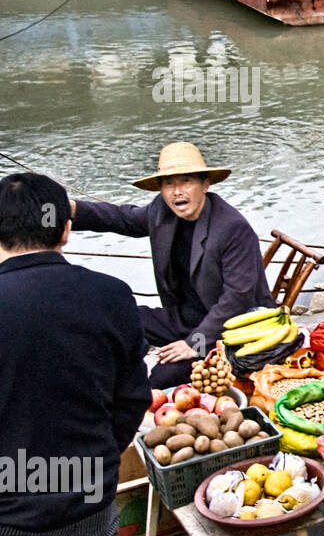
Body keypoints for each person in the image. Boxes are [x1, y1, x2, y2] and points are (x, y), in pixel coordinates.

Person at [0, 173, 151, 536]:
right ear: (66, 230)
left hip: (10, 519)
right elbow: (132, 401)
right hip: (87, 500)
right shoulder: (111, 295)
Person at [71, 142, 273, 388]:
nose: (177, 191)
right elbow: (122, 219)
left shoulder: (232, 228)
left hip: (233, 331)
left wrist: (193, 343)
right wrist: (70, 210)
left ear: (205, 184)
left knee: (161, 377)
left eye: (186, 181)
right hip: (185, 316)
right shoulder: (161, 211)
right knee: (118, 317)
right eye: (169, 184)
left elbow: (237, 299)